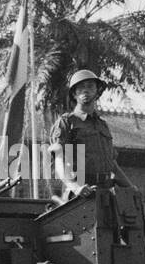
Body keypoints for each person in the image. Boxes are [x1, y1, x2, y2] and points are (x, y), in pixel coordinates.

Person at [50, 69, 135, 199]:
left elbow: (113, 166)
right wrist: (75, 187)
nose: (85, 90)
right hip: (80, 193)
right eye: (80, 88)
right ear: (74, 93)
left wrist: (132, 189)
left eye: (90, 86)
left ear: (97, 91)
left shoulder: (102, 125)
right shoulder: (67, 122)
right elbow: (59, 160)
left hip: (106, 192)